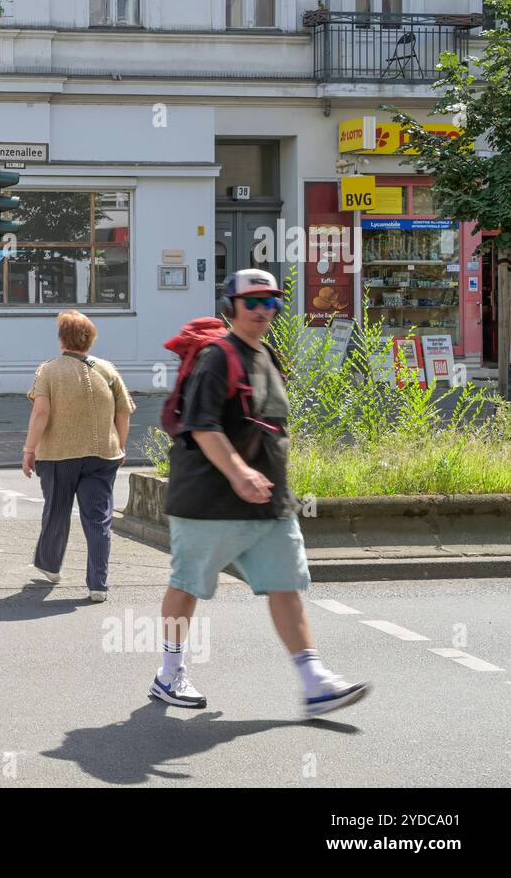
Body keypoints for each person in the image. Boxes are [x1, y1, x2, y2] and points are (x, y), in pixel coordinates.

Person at [152, 269, 369, 717]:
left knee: (285, 585)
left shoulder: (267, 353)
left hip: (269, 502)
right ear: (230, 307)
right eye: (251, 302)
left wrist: (272, 480)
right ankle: (169, 673)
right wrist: (238, 473)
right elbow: (202, 425)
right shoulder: (217, 356)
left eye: (270, 302)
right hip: (208, 504)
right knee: (187, 586)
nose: (261, 310)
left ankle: (315, 683)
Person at [22, 310, 134, 603]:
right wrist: (120, 445)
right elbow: (124, 412)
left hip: (59, 455)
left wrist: (29, 449)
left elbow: (41, 413)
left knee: (57, 510)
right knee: (98, 519)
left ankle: (50, 565)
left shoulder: (48, 370)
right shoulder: (108, 370)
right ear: (90, 339)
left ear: (61, 339)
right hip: (102, 455)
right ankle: (98, 584)